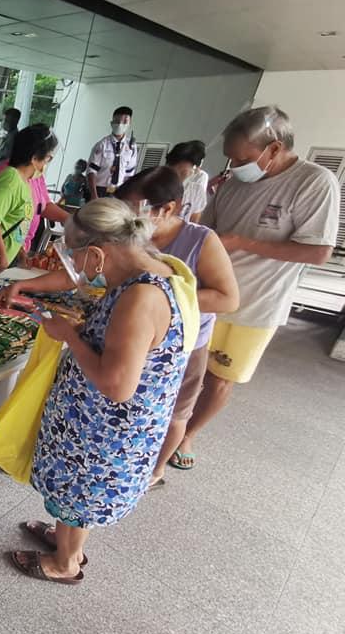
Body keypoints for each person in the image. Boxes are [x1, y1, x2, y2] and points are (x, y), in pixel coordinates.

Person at [0, 198, 194, 584]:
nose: (75, 267)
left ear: (97, 254)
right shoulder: (154, 270)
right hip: (101, 426)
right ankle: (66, 539)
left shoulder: (140, 298)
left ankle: (65, 563)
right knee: (79, 495)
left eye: (75, 257)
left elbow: (117, 386)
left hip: (105, 431)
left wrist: (69, 335)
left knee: (82, 490)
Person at [176, 105, 339, 469]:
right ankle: (170, 426)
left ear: (274, 148)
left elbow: (318, 252)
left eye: (242, 159)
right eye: (230, 159)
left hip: (255, 304)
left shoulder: (314, 182)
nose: (234, 167)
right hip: (206, 295)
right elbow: (206, 232)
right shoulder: (234, 183)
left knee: (221, 377)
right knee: (184, 368)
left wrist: (243, 243)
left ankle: (187, 435)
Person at [114, 167, 239, 487]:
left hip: (183, 346)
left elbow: (227, 299)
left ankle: (156, 471)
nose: (129, 219)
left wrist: (162, 298)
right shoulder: (132, 235)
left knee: (174, 413)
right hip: (136, 338)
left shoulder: (201, 240)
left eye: (136, 210)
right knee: (130, 403)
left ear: (167, 208)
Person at [0, 124, 57, 273]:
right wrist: (2, 258)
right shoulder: (11, 180)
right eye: (47, 158)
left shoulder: (24, 181)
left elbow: (14, 225)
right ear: (34, 158)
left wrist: (20, 252)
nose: (46, 164)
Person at [86, 105, 137, 199]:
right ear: (111, 123)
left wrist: (126, 195)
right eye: (117, 121)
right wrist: (94, 196)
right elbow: (91, 172)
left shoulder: (132, 147)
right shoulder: (102, 145)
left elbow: (129, 174)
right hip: (99, 190)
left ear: (129, 124)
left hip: (118, 191)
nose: (120, 124)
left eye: (125, 122)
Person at [166, 140, 209, 222]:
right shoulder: (154, 183)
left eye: (183, 173)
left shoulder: (196, 191)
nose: (177, 176)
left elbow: (194, 222)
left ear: (195, 170)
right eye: (174, 170)